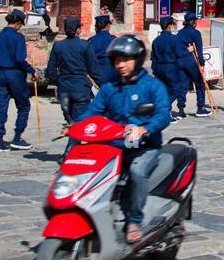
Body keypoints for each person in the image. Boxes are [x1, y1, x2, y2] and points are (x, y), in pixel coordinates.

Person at [79, 34, 171, 244]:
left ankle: (135, 221)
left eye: (125, 60)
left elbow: (163, 114)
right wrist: (77, 126)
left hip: (145, 147)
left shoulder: (152, 86)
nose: (120, 65)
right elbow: (93, 111)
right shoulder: (110, 88)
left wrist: (145, 129)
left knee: (137, 171)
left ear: (137, 60)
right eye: (117, 60)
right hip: (114, 146)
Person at [0, 9, 36, 152]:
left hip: (0, 73)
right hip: (15, 74)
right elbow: (20, 59)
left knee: (1, 107)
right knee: (24, 105)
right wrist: (31, 70)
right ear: (18, 23)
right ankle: (17, 137)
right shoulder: (18, 38)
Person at [45, 16, 103, 127]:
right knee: (80, 127)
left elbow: (50, 72)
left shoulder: (58, 46)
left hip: (64, 90)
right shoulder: (85, 45)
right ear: (78, 30)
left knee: (71, 123)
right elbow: (94, 71)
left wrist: (60, 81)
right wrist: (103, 86)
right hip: (81, 89)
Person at [151, 16, 186, 121]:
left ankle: (167, 112)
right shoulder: (173, 39)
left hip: (159, 67)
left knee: (164, 90)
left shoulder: (156, 40)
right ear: (170, 26)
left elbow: (153, 57)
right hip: (171, 66)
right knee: (177, 89)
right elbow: (179, 53)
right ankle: (165, 108)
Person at [175, 12, 210, 117]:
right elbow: (199, 51)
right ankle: (200, 108)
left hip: (180, 61)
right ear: (194, 22)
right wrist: (202, 64)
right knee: (199, 83)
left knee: (183, 85)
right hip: (191, 61)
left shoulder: (179, 33)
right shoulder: (196, 33)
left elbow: (177, 49)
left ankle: (181, 110)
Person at [89, 14, 116, 82]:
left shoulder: (90, 41)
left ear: (96, 27)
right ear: (107, 26)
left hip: (96, 76)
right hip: (113, 75)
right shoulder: (115, 40)